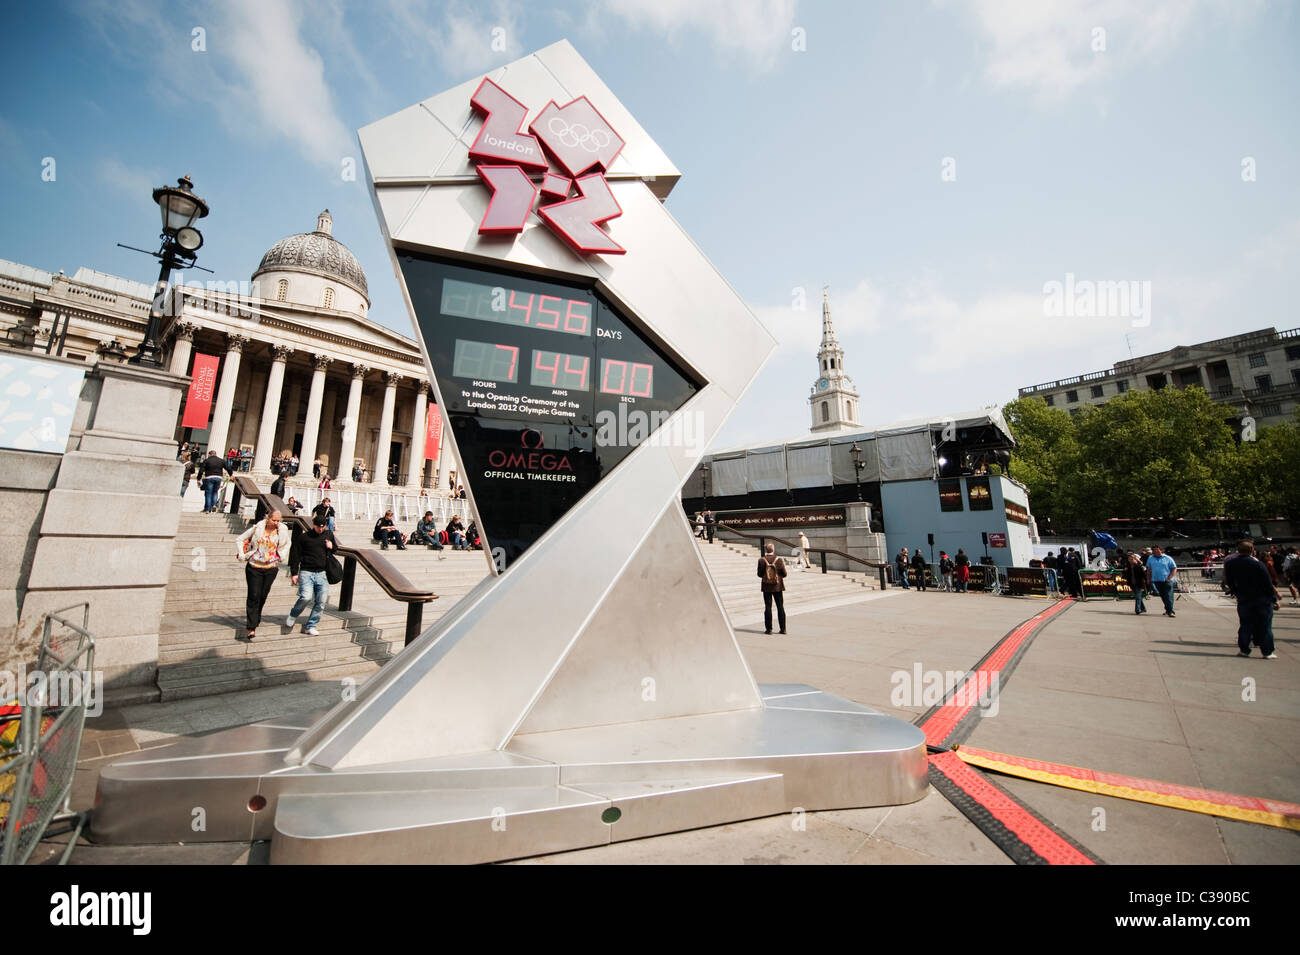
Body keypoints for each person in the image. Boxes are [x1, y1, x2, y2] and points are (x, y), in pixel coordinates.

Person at [236, 509, 291, 640]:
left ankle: (256, 617)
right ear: (268, 518)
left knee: (262, 596)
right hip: (254, 566)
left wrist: (281, 555)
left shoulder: (282, 530)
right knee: (254, 595)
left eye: (278, 520)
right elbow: (240, 539)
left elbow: (287, 544)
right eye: (274, 520)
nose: (276, 523)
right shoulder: (258, 527)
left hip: (271, 567)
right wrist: (242, 554)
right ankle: (251, 627)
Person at [1223, 540, 1280, 659]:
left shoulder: (1231, 563)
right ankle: (1267, 651)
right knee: (1265, 625)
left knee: (1245, 624)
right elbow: (1267, 583)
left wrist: (1235, 591)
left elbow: (1229, 580)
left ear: (1238, 550)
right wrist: (1274, 598)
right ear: (1252, 550)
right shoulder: (1258, 564)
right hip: (1261, 598)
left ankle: (1244, 649)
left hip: (1244, 597)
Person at [286, 514, 337, 636]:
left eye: (322, 527)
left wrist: (331, 546)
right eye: (318, 527)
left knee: (321, 601)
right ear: (313, 525)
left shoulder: (328, 534)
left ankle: (311, 625)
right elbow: (295, 555)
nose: (320, 529)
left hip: (322, 572)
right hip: (306, 572)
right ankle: (293, 614)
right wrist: (294, 573)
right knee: (306, 597)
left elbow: (335, 549)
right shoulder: (304, 537)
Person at [757, 541, 787, 635]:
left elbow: (759, 574)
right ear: (773, 549)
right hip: (777, 586)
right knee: (780, 607)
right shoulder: (779, 560)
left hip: (766, 586)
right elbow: (785, 574)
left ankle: (769, 629)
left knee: (768, 607)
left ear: (766, 550)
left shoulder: (761, 560)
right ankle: (783, 629)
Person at [1146, 545, 1178, 617]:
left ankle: (1171, 611)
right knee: (1163, 596)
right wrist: (1148, 579)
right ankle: (1168, 609)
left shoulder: (1167, 558)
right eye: (1154, 550)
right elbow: (1148, 569)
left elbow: (1174, 568)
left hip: (1166, 580)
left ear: (1161, 550)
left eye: (1157, 550)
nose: (1155, 552)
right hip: (1156, 580)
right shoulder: (1150, 558)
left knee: (1169, 595)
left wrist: (1169, 578)